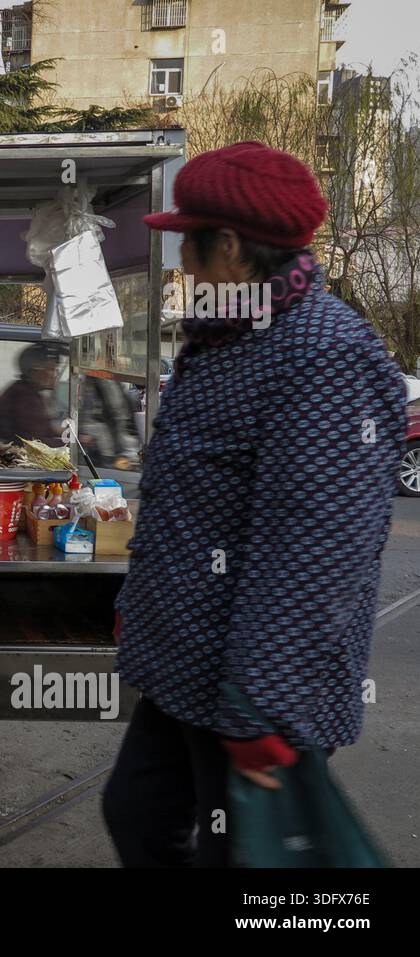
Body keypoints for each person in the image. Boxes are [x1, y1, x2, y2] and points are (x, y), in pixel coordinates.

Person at [102, 141, 408, 866]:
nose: (182, 269)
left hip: (252, 689)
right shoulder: (227, 338)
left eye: (188, 247)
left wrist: (260, 708)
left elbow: (317, 549)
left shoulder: (324, 353)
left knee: (246, 859)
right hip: (188, 672)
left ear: (232, 247)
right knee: (139, 815)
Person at [0, 342, 66, 446]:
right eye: (51, 369)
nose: (55, 374)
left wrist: (69, 435)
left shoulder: (30, 392)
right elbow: (34, 442)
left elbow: (43, 429)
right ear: (36, 371)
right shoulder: (24, 397)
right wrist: (70, 443)